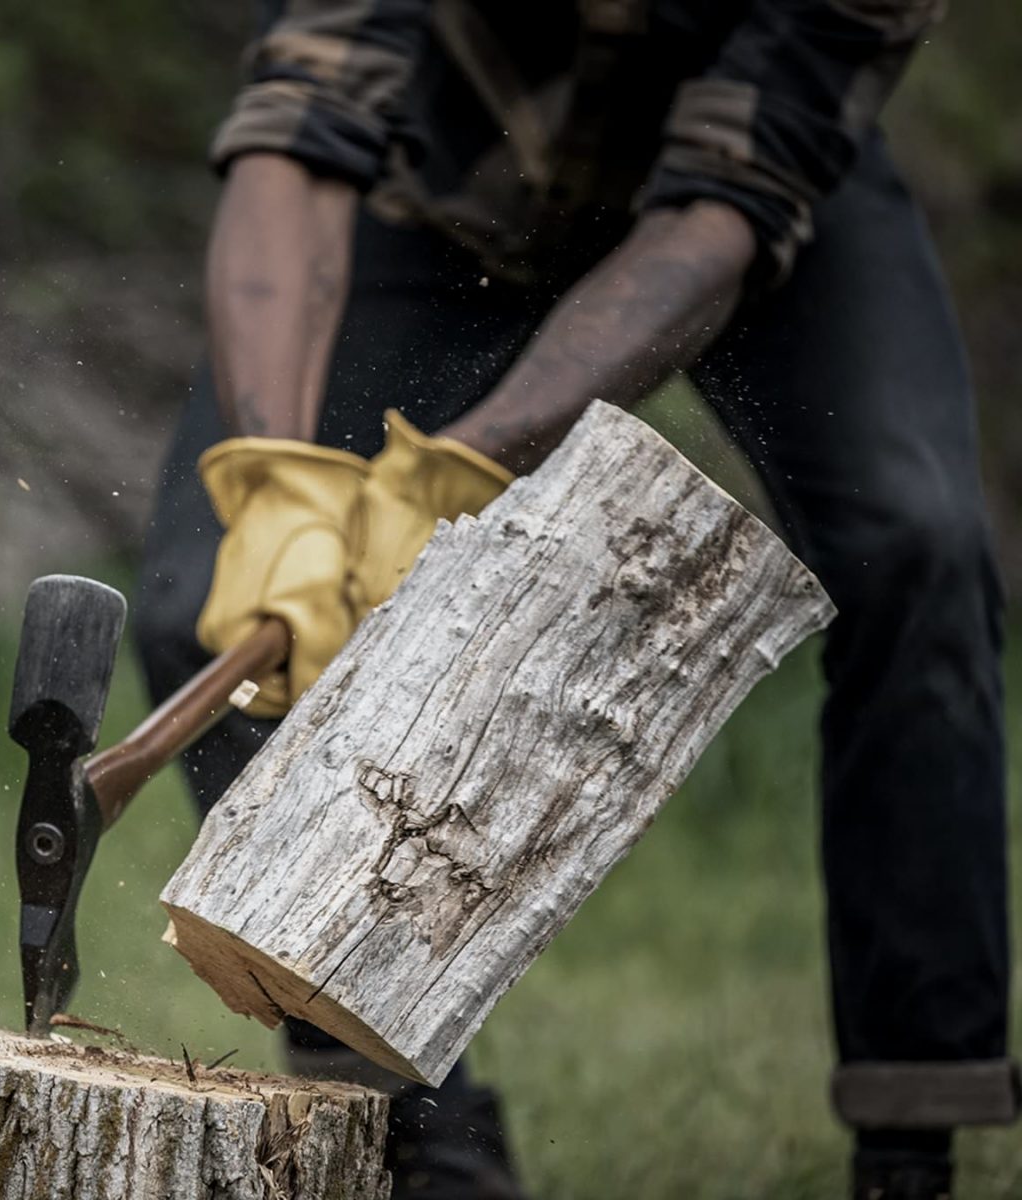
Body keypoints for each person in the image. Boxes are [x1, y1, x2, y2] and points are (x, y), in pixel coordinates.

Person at [133, 2, 1017, 1197]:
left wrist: (464, 465)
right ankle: (413, 1133)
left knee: (919, 548)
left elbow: (732, 191)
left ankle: (912, 1140)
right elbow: (303, 114)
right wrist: (282, 480)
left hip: (751, 189)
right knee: (205, 603)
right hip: (444, 164)